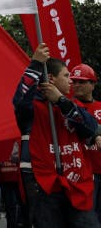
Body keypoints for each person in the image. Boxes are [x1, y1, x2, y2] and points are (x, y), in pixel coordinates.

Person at [13, 42, 98, 227]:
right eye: (67, 76)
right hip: (45, 186)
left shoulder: (70, 105)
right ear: (51, 79)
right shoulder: (31, 108)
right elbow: (19, 100)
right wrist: (35, 63)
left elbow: (91, 127)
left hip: (77, 186)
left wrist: (60, 100)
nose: (71, 81)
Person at [72, 63, 101, 224]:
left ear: (93, 84)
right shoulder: (69, 108)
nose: (76, 85)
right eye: (74, 81)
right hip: (82, 177)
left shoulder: (100, 107)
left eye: (81, 82)